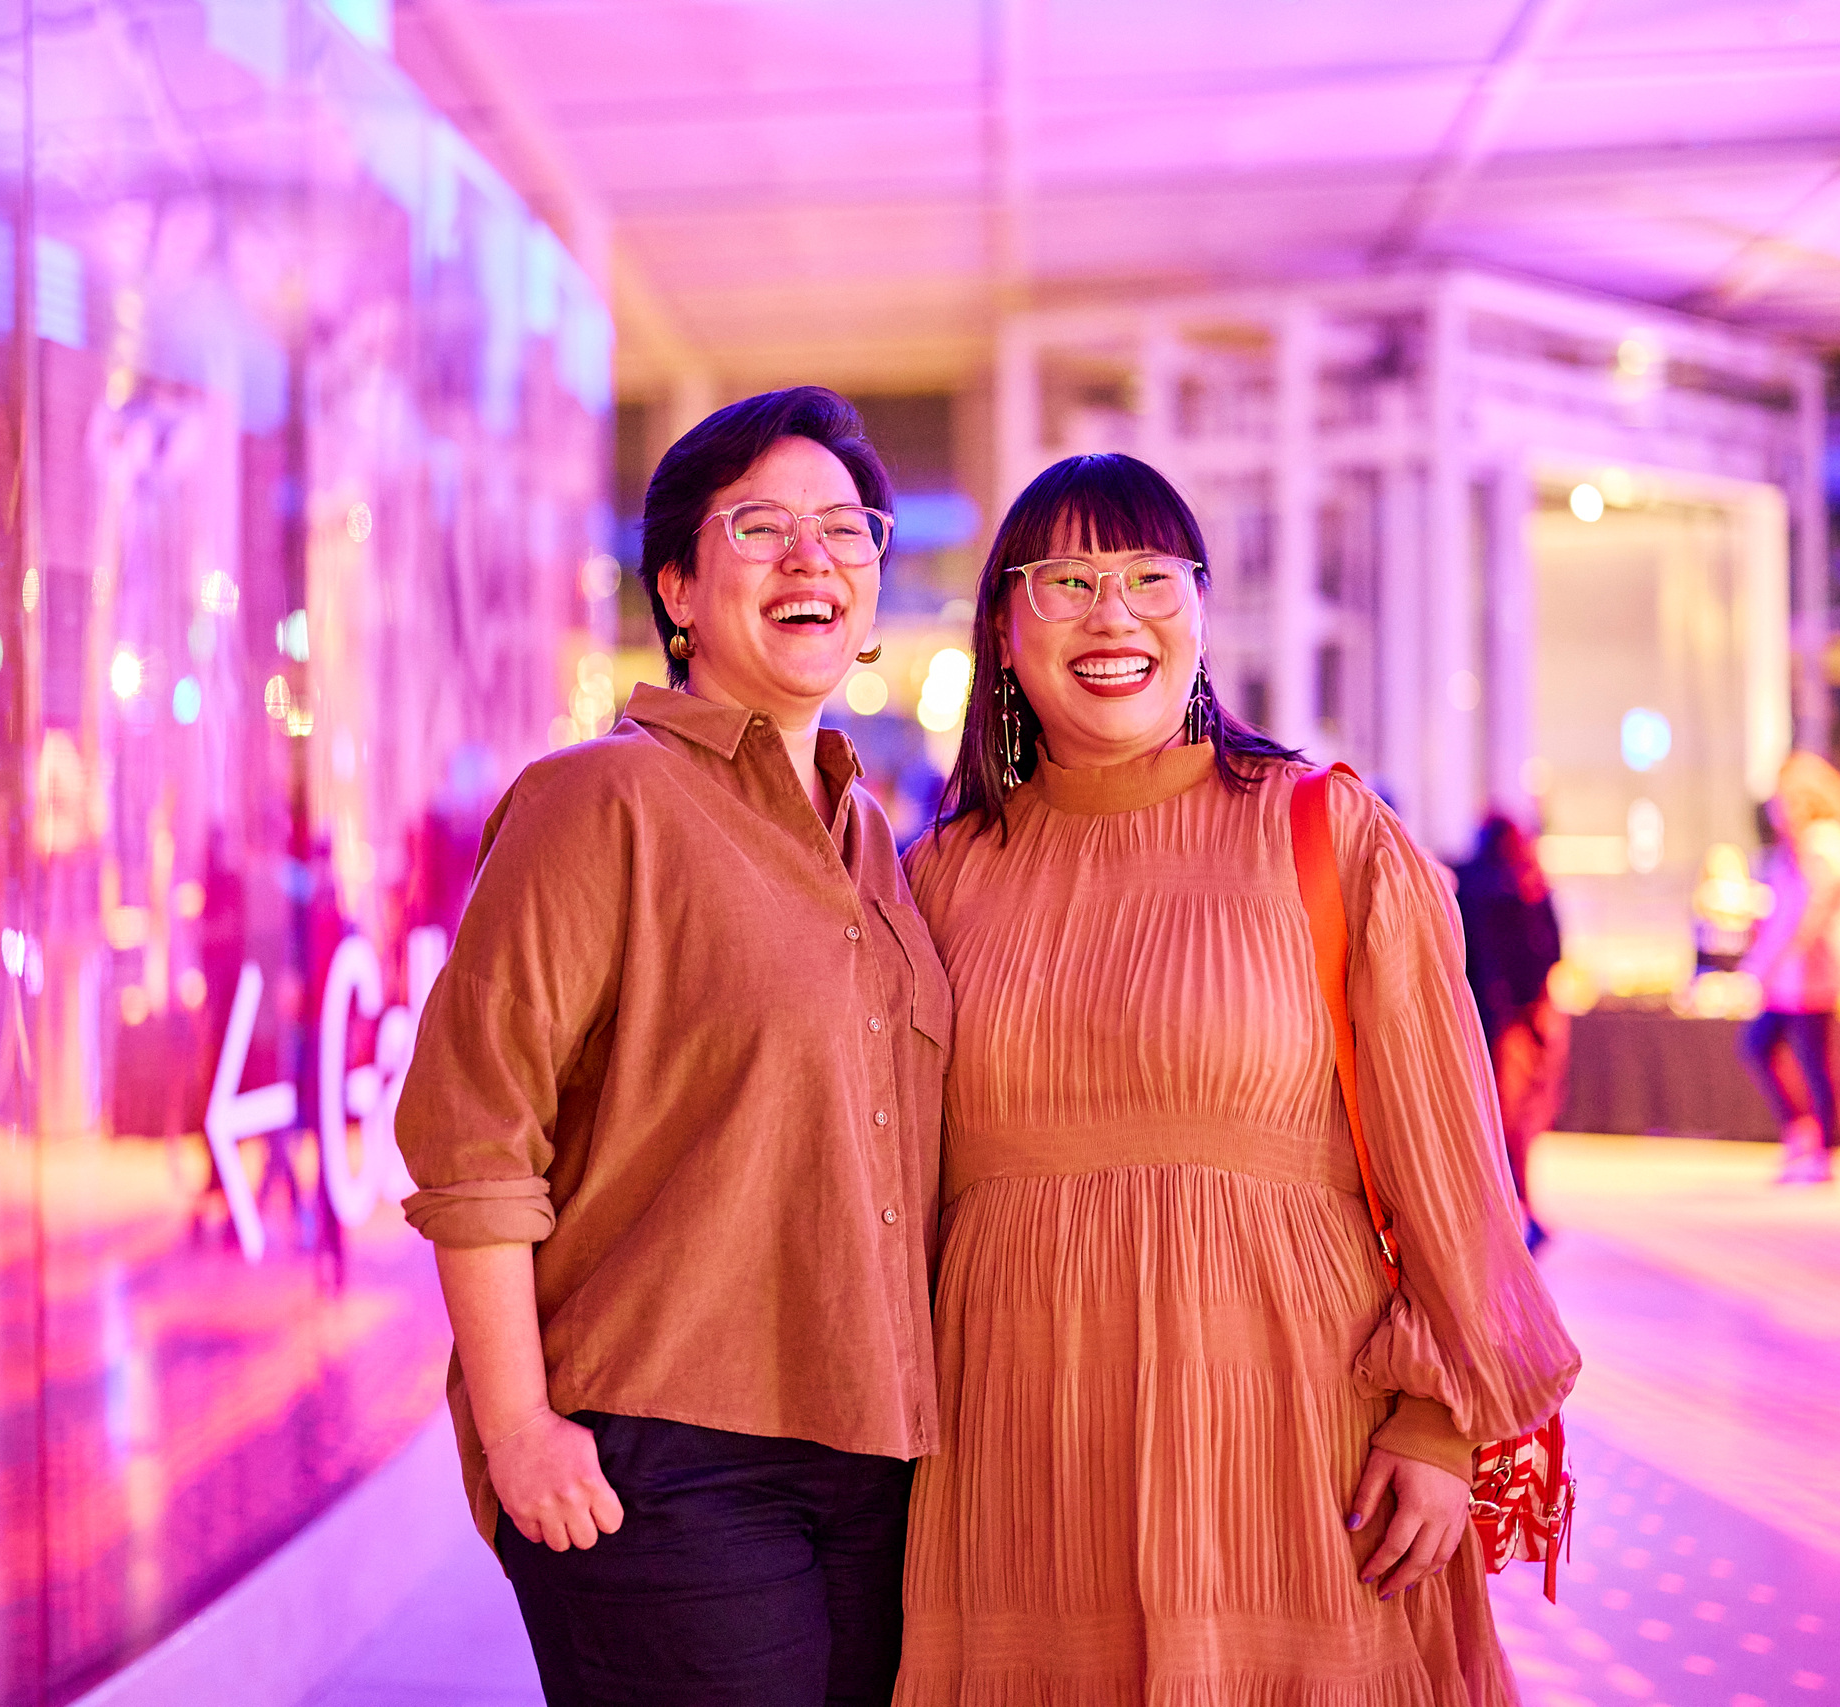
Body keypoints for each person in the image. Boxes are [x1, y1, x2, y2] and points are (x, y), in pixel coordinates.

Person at [894, 453, 1580, 1705]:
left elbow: (1450, 1157)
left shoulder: (1327, 831)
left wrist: (1438, 1421)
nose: (1114, 615)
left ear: (1200, 614)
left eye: (1151, 577)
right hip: (1018, 1440)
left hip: (1301, 1433)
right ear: (1002, 624)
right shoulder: (935, 880)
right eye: (1067, 582)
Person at [395, 386, 947, 1706]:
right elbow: (472, 1128)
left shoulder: (870, 836)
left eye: (846, 529)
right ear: (681, 589)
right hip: (664, 1452)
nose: (814, 557)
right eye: (762, 527)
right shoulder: (602, 799)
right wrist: (517, 1421)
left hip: (874, 1448)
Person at [1738, 752, 1840, 1184]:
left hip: (1812, 972)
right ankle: (1805, 1136)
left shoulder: (1824, 842)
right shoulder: (1801, 843)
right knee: (1764, 1044)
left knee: (1817, 1059)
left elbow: (1810, 912)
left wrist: (1772, 963)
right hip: (1794, 974)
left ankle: (1822, 1149)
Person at [1453, 813, 1568, 1248]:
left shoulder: (1484, 886)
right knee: (1511, 1121)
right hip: (1510, 1025)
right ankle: (1513, 1208)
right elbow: (1541, 953)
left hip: (1503, 1021)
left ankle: (1513, 1208)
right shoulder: (1510, 891)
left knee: (1510, 1120)